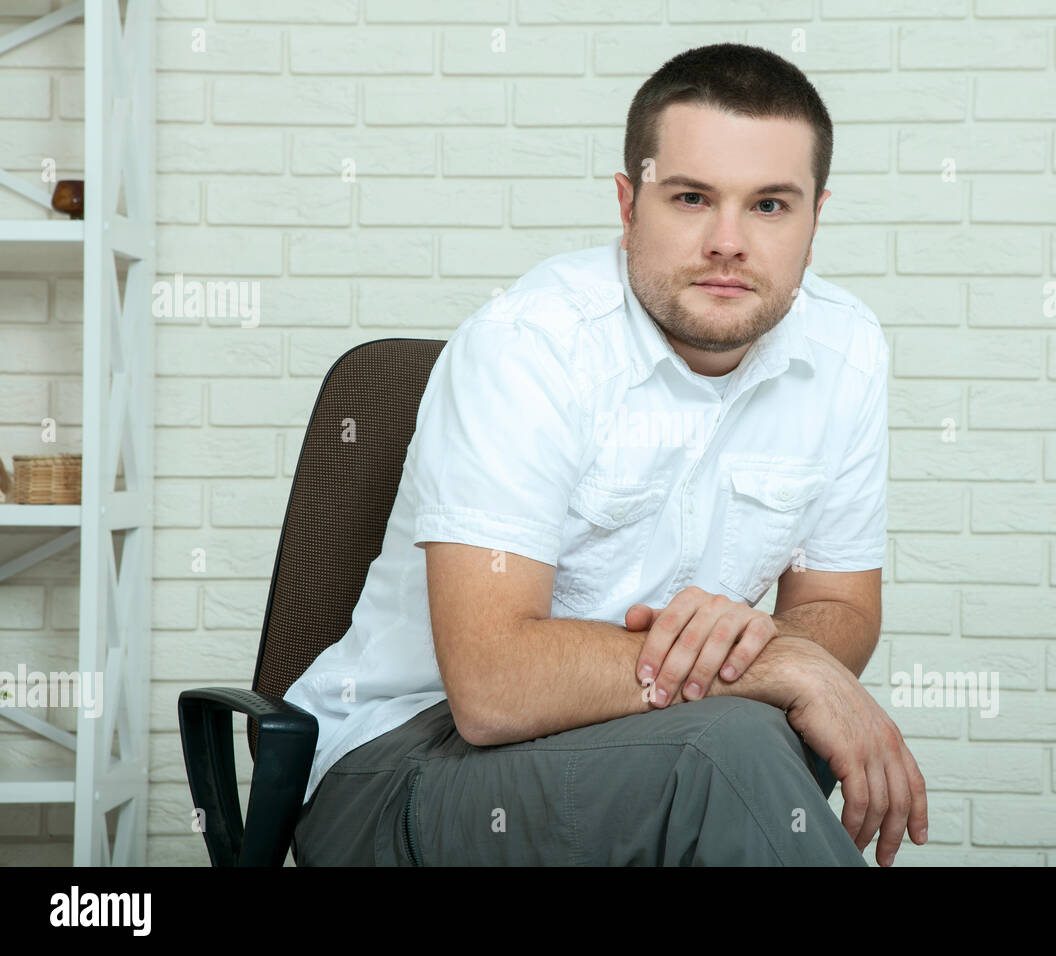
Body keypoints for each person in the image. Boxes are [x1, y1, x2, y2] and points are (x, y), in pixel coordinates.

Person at [286, 42, 927, 867]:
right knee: (733, 751)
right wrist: (782, 664)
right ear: (629, 206)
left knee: (756, 740)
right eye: (692, 198)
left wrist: (782, 655)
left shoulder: (847, 350)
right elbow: (490, 687)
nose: (728, 242)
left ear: (815, 220)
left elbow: (843, 605)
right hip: (399, 763)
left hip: (648, 739)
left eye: (770, 206)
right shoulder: (528, 348)